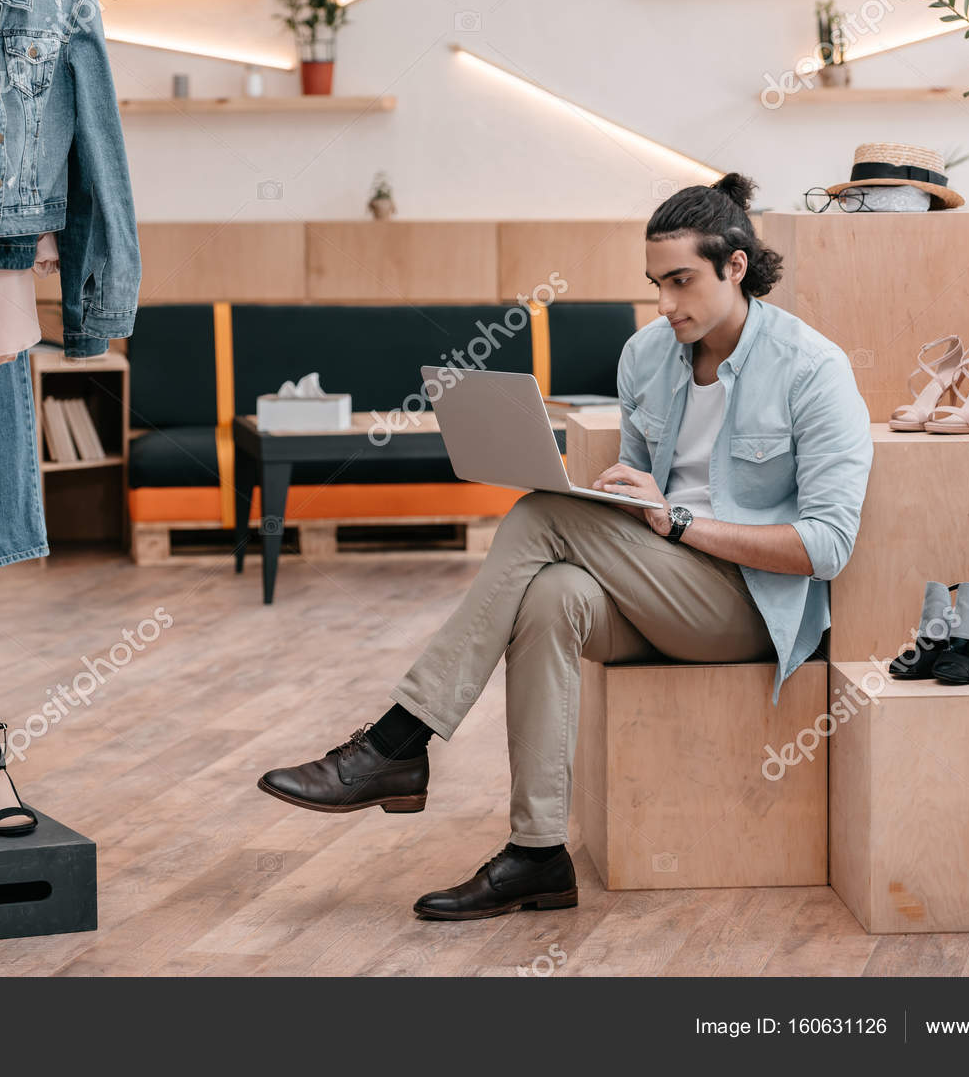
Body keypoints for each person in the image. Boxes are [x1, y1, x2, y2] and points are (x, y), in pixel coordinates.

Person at [256, 172, 874, 920]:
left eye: (681, 282)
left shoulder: (813, 368)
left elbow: (828, 547)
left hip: (751, 607)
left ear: (735, 266)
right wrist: (624, 498)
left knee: (538, 516)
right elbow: (643, 485)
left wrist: (677, 520)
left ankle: (396, 739)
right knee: (550, 596)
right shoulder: (647, 355)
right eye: (654, 284)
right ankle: (538, 855)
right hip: (661, 586)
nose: (665, 305)